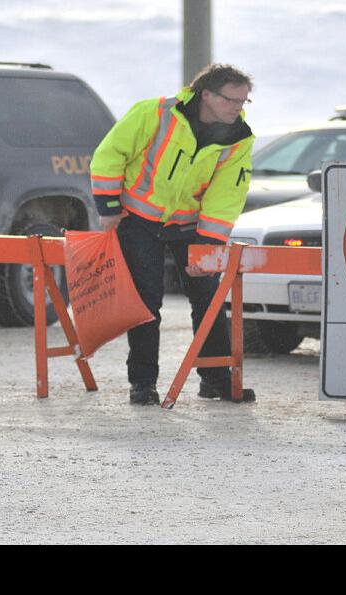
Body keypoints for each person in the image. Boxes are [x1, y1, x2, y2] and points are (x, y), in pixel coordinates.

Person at [89, 64, 256, 405]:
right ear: (206, 94)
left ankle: (216, 380)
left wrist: (209, 244)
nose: (237, 108)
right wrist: (108, 207)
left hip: (189, 226)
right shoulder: (154, 113)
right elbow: (110, 154)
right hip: (138, 220)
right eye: (231, 100)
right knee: (146, 303)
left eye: (243, 101)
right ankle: (143, 384)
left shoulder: (239, 138)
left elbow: (227, 194)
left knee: (208, 298)